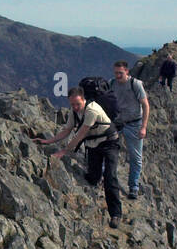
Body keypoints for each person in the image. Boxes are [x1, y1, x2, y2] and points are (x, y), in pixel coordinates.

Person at [38, 85, 123, 227]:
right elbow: (66, 131)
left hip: (109, 143)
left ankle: (115, 214)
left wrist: (63, 152)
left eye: (78, 103)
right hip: (93, 145)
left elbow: (81, 134)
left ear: (84, 99)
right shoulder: (74, 112)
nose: (75, 107)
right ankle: (97, 189)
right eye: (72, 104)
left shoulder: (92, 110)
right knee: (93, 177)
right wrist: (47, 141)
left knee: (110, 176)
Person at [112, 59, 149, 199]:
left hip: (134, 124)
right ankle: (106, 177)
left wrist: (144, 127)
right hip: (118, 122)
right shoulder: (112, 83)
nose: (118, 76)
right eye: (116, 73)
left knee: (135, 157)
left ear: (127, 71)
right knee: (109, 149)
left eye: (120, 73)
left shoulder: (136, 84)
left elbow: (145, 105)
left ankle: (133, 187)